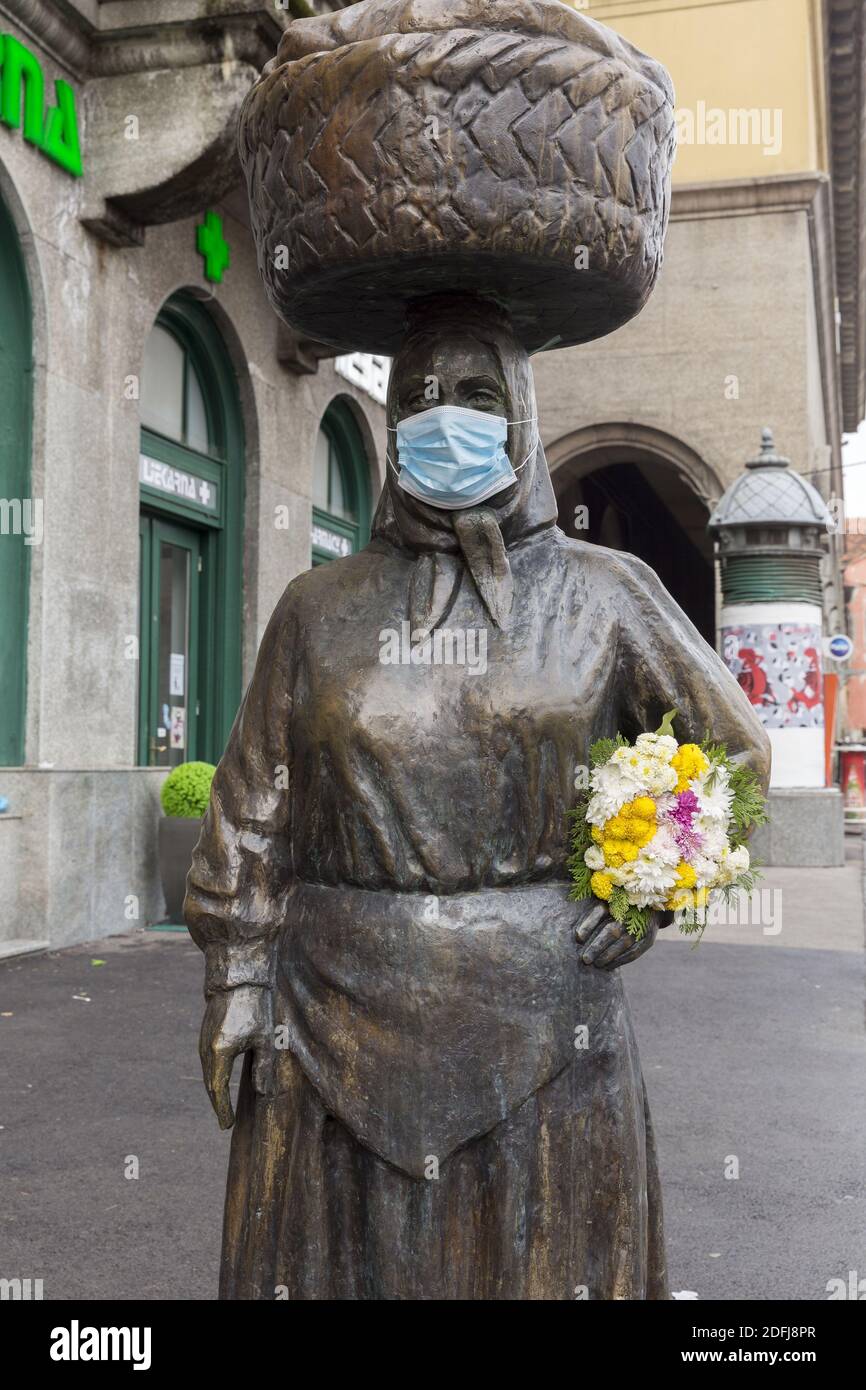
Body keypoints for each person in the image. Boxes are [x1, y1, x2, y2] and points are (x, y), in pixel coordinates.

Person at [185, 294, 770, 1300]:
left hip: (547, 1021)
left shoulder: (606, 591)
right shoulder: (315, 608)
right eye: (415, 396)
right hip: (329, 1016)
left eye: (472, 394)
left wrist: (646, 888)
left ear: (521, 417)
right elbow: (253, 803)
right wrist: (238, 979)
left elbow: (732, 751)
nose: (440, 415)